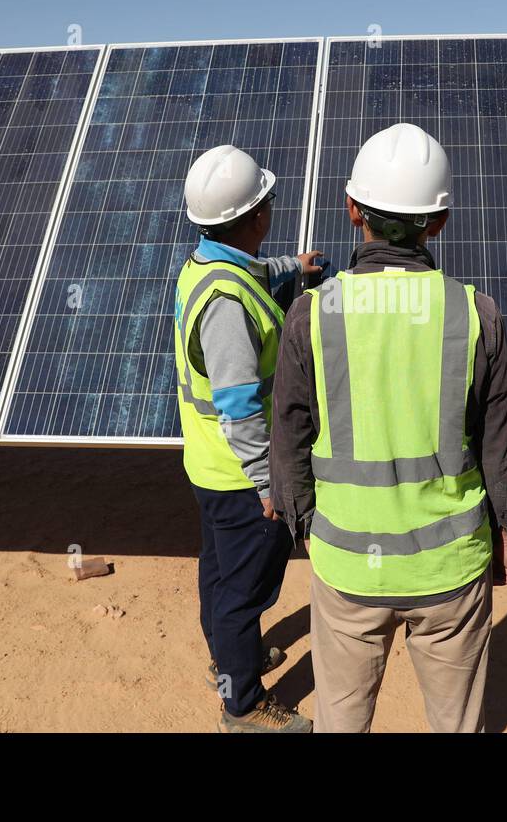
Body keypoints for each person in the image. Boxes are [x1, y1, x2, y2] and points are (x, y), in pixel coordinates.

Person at [270, 122, 507, 733]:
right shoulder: (475, 312)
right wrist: (506, 526)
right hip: (451, 568)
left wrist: (304, 521)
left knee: (342, 719)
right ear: (438, 222)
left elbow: (290, 433)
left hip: (348, 564)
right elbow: (496, 442)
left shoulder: (312, 312)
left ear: (353, 208)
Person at [174, 144, 320, 733]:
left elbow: (251, 272)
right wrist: (268, 483)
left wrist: (296, 268)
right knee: (244, 592)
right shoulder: (228, 305)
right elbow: (237, 404)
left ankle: (226, 661)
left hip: (208, 466)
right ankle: (243, 706)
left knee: (218, 571)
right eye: (268, 203)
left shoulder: (205, 268)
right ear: (254, 216)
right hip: (242, 476)